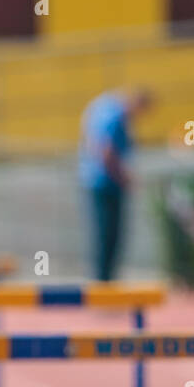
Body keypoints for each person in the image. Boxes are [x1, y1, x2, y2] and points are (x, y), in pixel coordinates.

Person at [78, 87, 152, 280]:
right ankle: (104, 283)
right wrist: (124, 178)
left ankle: (106, 281)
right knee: (107, 236)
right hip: (104, 183)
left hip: (102, 182)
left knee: (110, 236)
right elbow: (106, 151)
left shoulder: (110, 112)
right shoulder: (115, 116)